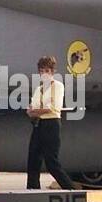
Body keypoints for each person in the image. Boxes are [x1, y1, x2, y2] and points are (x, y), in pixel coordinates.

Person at [26, 55, 75, 191]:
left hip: (51, 125)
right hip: (38, 125)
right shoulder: (39, 89)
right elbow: (31, 109)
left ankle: (71, 190)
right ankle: (32, 191)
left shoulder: (58, 86)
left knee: (51, 162)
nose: (44, 74)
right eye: (41, 71)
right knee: (33, 161)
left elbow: (51, 108)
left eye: (47, 71)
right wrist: (35, 111)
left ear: (52, 71)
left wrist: (35, 111)